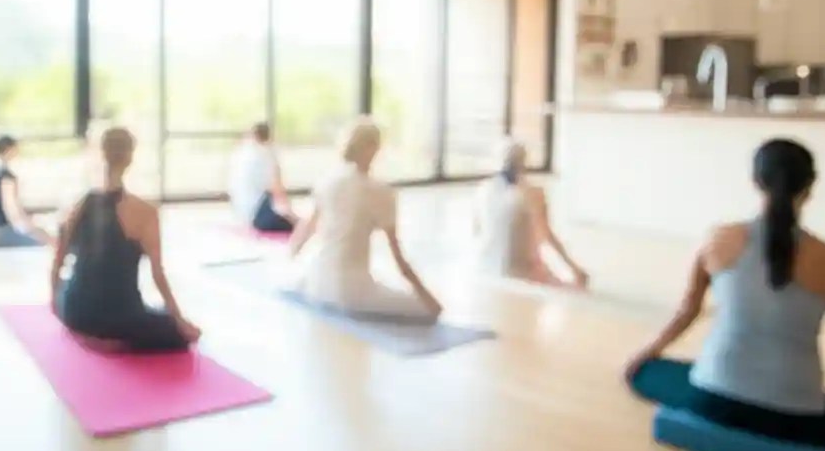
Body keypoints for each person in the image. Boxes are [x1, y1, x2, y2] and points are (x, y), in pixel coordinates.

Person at [624, 138, 825, 451]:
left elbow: (687, 311)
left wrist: (646, 353)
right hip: (794, 420)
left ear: (756, 181)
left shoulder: (717, 239)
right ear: (809, 189)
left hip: (712, 400)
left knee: (649, 372)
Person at [49, 126, 201, 352]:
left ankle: (100, 335)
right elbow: (158, 274)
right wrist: (178, 319)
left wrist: (56, 303)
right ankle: (116, 340)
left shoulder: (75, 206)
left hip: (73, 311)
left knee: (154, 313)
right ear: (130, 157)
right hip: (119, 317)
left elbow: (57, 264)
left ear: (100, 154)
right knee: (174, 330)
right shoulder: (145, 212)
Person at [289, 117, 442, 321]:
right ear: (371, 148)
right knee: (423, 309)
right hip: (349, 292)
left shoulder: (327, 181)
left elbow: (305, 231)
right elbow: (398, 259)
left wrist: (290, 260)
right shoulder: (380, 191)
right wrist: (428, 300)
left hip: (316, 283)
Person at [473, 140, 588, 287]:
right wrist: (575, 269)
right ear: (524, 162)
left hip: (487, 268)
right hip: (521, 272)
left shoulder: (483, 189)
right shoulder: (533, 193)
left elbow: (477, 230)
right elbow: (547, 236)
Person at [0, 135, 53, 248]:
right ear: (10, 149)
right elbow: (13, 211)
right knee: (44, 242)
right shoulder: (6, 177)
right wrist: (35, 230)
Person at [228, 122, 296, 233]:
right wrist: (292, 217)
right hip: (260, 217)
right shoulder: (268, 153)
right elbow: (277, 189)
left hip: (239, 212)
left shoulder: (239, 152)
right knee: (297, 225)